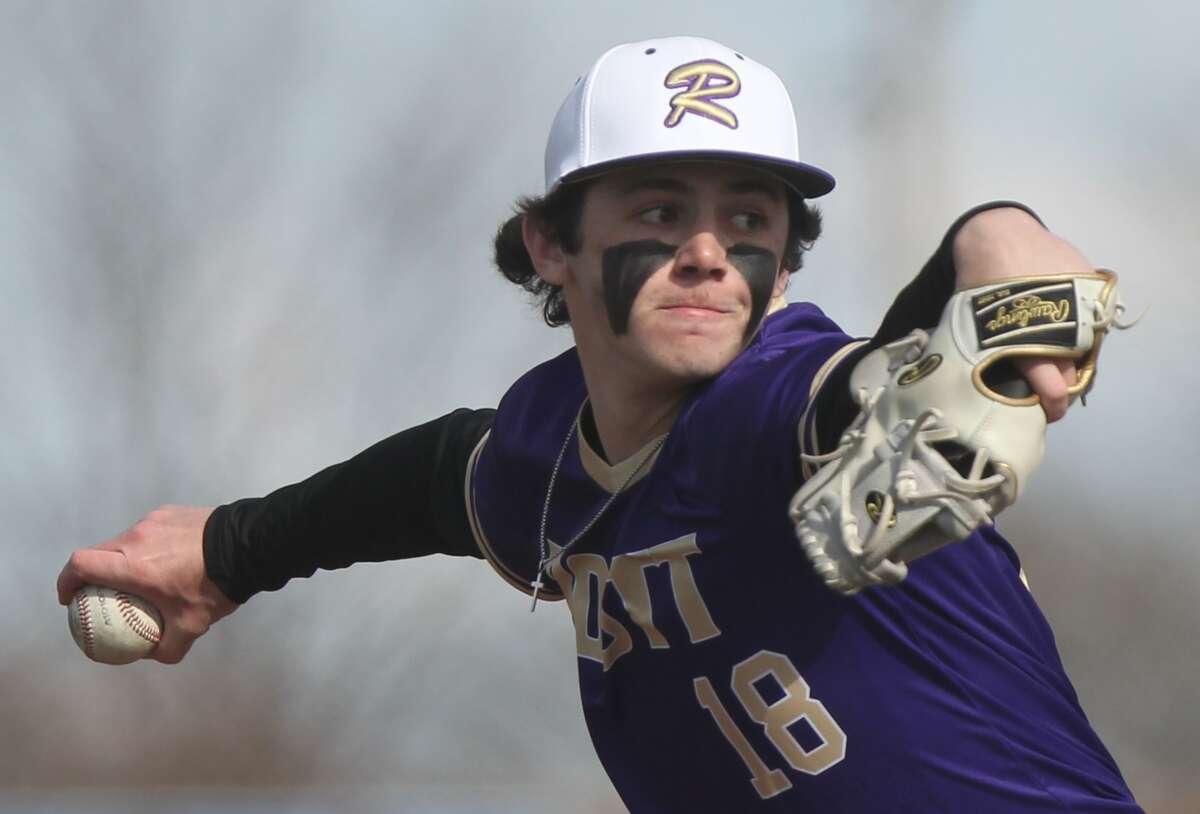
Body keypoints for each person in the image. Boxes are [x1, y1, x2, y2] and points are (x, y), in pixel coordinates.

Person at [57, 36, 1142, 813]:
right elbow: (434, 479)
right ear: (549, 244)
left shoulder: (781, 403)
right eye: (660, 210)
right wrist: (226, 551)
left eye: (750, 218)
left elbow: (859, 394)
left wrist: (994, 233)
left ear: (787, 259)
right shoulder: (545, 454)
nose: (710, 249)